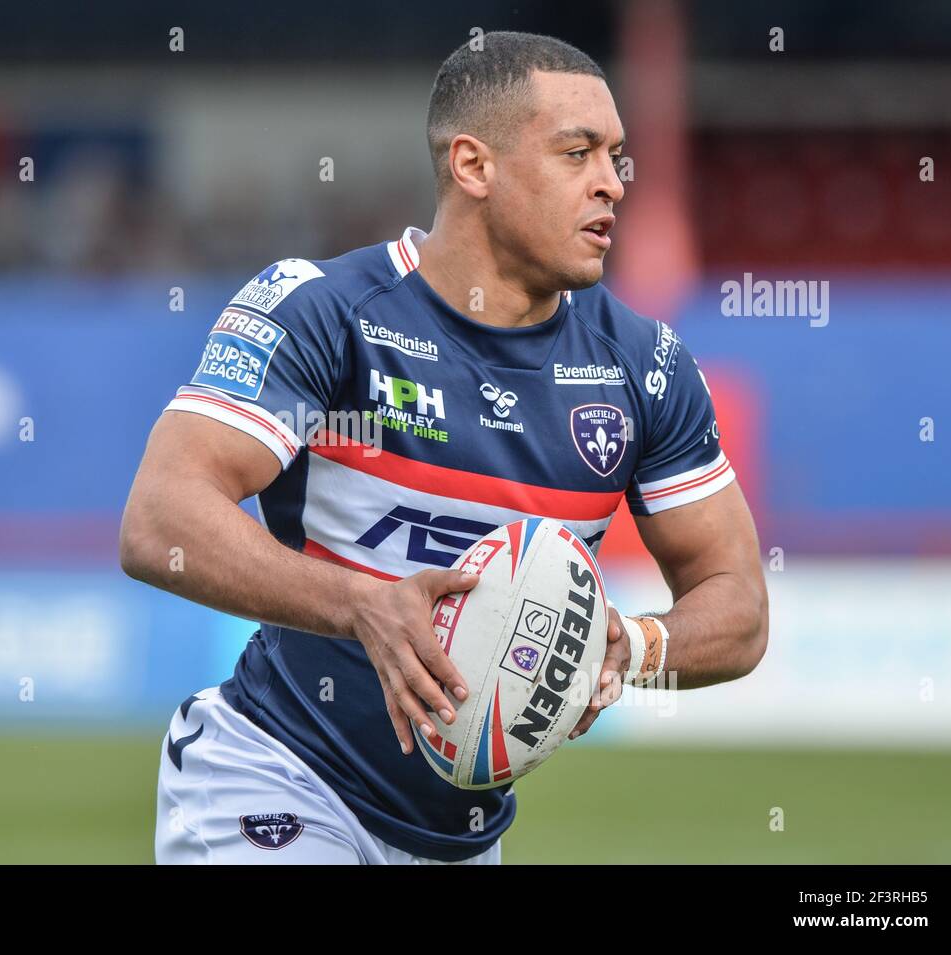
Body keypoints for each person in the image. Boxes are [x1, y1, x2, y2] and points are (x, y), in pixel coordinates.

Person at [121, 31, 768, 864]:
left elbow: (740, 606)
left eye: (616, 154)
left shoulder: (644, 366)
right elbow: (159, 519)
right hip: (272, 775)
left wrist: (632, 644)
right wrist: (363, 606)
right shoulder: (325, 312)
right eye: (578, 153)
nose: (613, 182)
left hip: (459, 837)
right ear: (473, 166)